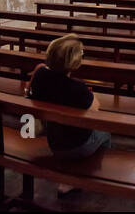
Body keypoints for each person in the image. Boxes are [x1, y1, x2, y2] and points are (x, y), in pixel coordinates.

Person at [25, 35, 110, 163]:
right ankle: (96, 168)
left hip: (54, 143)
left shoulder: (40, 74)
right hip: (77, 146)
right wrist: (90, 95)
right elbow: (95, 108)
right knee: (105, 132)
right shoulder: (77, 87)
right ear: (75, 61)